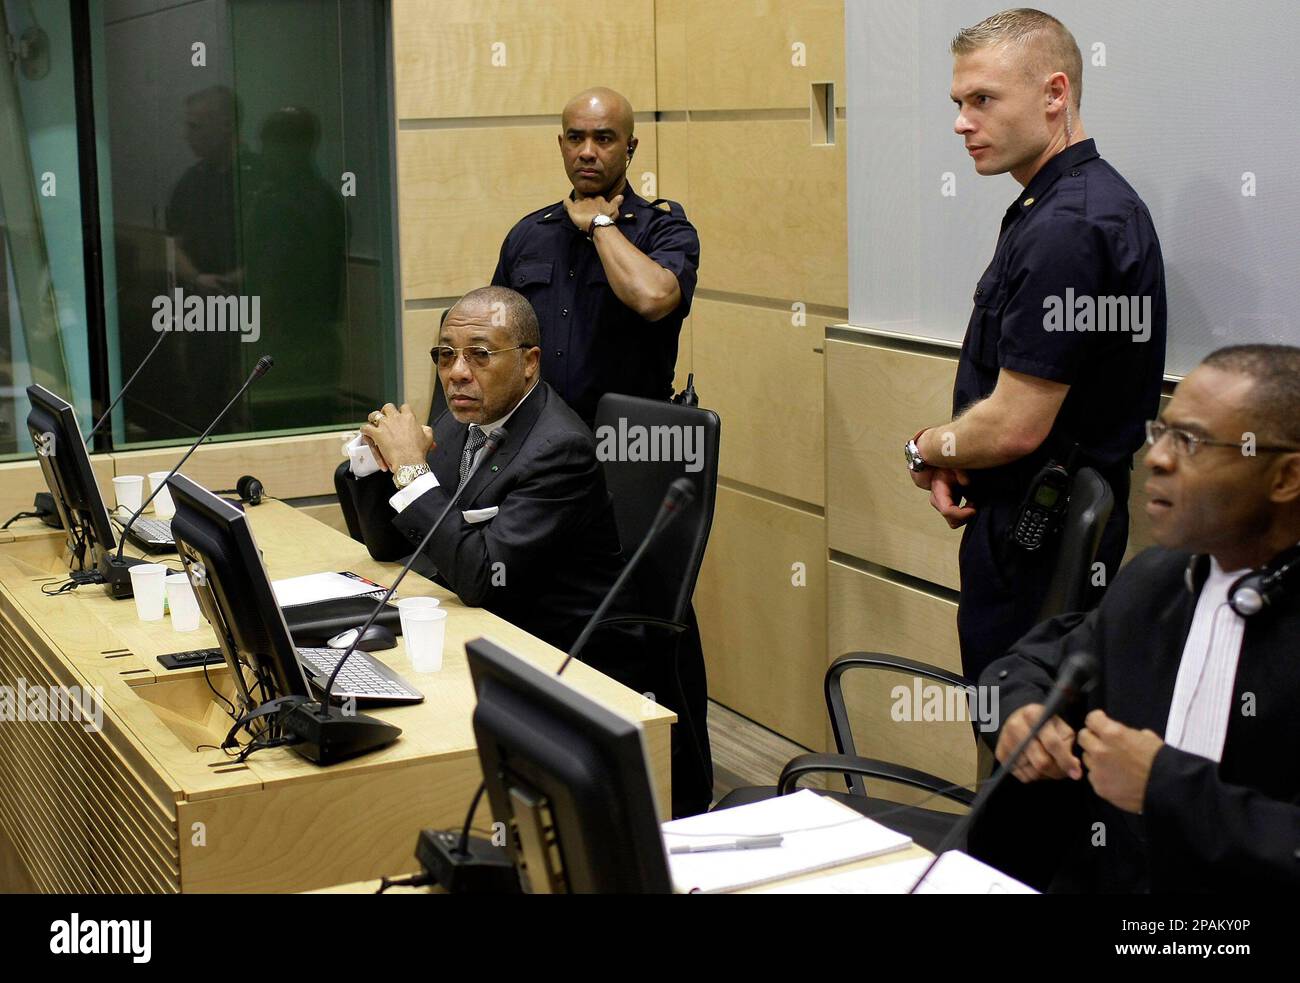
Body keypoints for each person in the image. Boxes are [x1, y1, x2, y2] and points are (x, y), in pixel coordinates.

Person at [338, 286, 713, 816]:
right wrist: (375, 465)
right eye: (445, 354)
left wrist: (410, 469)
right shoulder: (460, 417)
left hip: (563, 658)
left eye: (479, 354)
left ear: (530, 362)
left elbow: (480, 578)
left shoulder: (558, 449)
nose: (457, 372)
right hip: (490, 633)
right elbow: (388, 542)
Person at [904, 8, 1167, 682]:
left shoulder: (1067, 227)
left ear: (1055, 94)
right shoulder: (1066, 206)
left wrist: (925, 448)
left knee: (1021, 745)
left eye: (983, 100)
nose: (962, 122)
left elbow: (1017, 424)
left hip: (1037, 537)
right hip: (1035, 523)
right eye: (959, 102)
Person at [980, 345, 1300, 892]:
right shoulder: (1158, 579)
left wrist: (1163, 786)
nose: (1156, 459)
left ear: (1286, 477)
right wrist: (1020, 712)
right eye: (1162, 432)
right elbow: (1032, 662)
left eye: (1191, 442)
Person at [490, 87, 700, 427]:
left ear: (630, 147)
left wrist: (600, 226)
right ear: (562, 145)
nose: (587, 152)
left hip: (630, 438)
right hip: (537, 436)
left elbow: (652, 297)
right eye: (576, 138)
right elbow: (497, 335)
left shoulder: (665, 230)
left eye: (603, 139)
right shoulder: (529, 233)